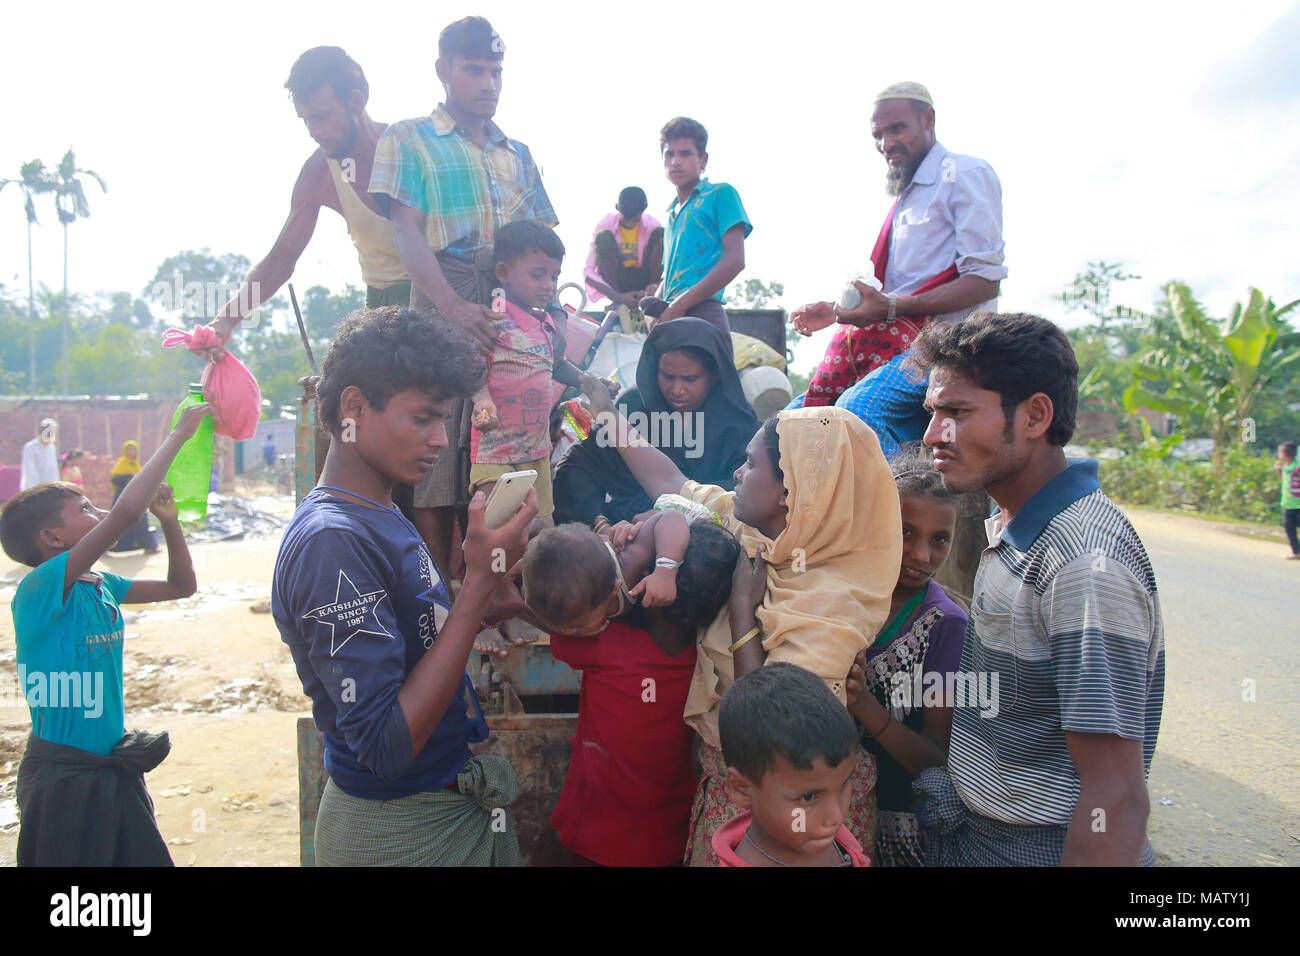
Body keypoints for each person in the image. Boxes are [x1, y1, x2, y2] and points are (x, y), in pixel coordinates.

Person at [581, 380, 902, 865]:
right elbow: (674, 487)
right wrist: (606, 415)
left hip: (792, 826)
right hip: (737, 794)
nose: (736, 470)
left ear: (791, 492)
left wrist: (741, 615)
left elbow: (770, 730)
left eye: (752, 464)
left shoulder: (830, 604)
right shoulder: (756, 533)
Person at [271, 306, 536, 866]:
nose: (440, 440)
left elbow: (411, 644)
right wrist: (474, 597)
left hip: (431, 812)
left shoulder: (382, 511)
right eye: (423, 418)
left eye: (444, 420)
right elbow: (386, 747)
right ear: (354, 408)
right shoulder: (333, 543)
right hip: (396, 833)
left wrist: (482, 605)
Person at [910, 312, 1165, 866]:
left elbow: (1114, 799)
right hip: (980, 834)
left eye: (956, 412)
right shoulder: (1011, 524)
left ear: (1036, 415)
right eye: (934, 413)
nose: (933, 434)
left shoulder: (1082, 565)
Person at [370, 16, 557, 581]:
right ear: (443, 70)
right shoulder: (408, 138)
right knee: (441, 434)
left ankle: (502, 580)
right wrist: (451, 305)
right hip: (438, 290)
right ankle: (439, 583)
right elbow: (405, 234)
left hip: (508, 299)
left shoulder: (518, 152)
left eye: (496, 71)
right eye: (474, 70)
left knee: (503, 435)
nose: (488, 83)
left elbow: (541, 239)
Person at [1, 402, 210, 865]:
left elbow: (182, 586)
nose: (97, 512)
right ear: (53, 539)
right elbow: (124, 513)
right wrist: (178, 435)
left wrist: (171, 522)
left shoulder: (102, 584)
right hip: (63, 774)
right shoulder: (39, 589)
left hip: (112, 765)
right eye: (84, 508)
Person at [790, 82, 1007, 455]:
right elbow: (896, 290)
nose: (886, 143)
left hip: (952, 345)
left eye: (897, 129)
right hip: (898, 342)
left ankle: (903, 514)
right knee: (793, 420)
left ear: (928, 120)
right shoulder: (905, 195)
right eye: (878, 135)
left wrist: (891, 308)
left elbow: (985, 282)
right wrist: (840, 312)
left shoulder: (965, 173)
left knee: (860, 410)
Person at [522, 521, 739, 866]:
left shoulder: (606, 648)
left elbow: (557, 618)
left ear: (644, 589)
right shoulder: (702, 663)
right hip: (668, 837)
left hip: (598, 835)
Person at [206, 47, 410, 356]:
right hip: (381, 322)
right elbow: (281, 259)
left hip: (441, 310)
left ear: (356, 101)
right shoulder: (320, 173)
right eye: (306, 121)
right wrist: (226, 321)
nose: (315, 132)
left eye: (323, 118)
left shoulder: (414, 149)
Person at [844, 444, 970, 866]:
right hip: (825, 813)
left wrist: (863, 705)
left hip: (893, 828)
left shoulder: (946, 626)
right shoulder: (843, 591)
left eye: (940, 540)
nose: (921, 555)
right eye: (906, 532)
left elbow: (936, 758)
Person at [553, 317, 759, 527]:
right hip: (626, 529)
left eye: (690, 379)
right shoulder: (635, 406)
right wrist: (598, 524)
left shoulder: (737, 421)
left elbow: (749, 486)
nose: (677, 389)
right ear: (654, 369)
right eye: (668, 376)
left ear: (714, 375)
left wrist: (676, 511)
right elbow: (580, 461)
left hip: (708, 535)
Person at [469, 221, 584, 528]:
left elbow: (555, 366)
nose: (549, 284)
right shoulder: (492, 319)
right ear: (504, 273)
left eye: (555, 276)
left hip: (537, 452)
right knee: (495, 522)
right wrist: (482, 400)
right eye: (538, 275)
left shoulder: (546, 324)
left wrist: (588, 381)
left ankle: (526, 577)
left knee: (540, 528)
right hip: (495, 451)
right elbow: (472, 364)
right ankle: (484, 574)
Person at [713, 663, 871, 867]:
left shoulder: (828, 838)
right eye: (808, 797)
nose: (836, 817)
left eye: (843, 785)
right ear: (741, 788)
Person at [652, 117, 751, 335]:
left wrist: (679, 305)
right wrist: (656, 307)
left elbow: (735, 260)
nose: (676, 161)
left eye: (685, 153)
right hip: (670, 316)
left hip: (704, 314)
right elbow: (669, 276)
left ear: (703, 160)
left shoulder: (720, 194)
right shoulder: (671, 215)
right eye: (670, 154)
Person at [583, 186, 663, 310]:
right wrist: (618, 296)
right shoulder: (606, 224)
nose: (629, 224)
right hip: (617, 283)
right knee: (603, 237)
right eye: (626, 219)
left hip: (645, 279)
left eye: (634, 219)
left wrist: (655, 286)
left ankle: (650, 293)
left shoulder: (653, 225)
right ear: (617, 207)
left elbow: (668, 265)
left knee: (661, 234)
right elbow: (589, 272)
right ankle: (619, 300)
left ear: (643, 210)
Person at [108, 440, 159, 554]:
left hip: (136, 496)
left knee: (141, 520)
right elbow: (115, 480)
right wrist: (129, 477)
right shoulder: (121, 463)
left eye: (133, 450)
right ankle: (107, 548)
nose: (131, 452)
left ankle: (149, 546)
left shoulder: (136, 464)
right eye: (129, 450)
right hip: (123, 496)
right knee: (118, 522)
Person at [20, 419, 59, 491]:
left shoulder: (52, 447)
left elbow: (54, 469)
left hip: (51, 489)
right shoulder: (30, 447)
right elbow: (30, 471)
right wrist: (33, 490)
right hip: (35, 489)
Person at [1276, 441, 1299, 559]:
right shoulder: (1285, 467)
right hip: (1287, 503)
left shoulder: (1297, 466)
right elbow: (1284, 482)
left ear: (1284, 454)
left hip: (1298, 504)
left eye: (1279, 452)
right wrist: (1279, 471)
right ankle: (1297, 552)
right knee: (1289, 527)